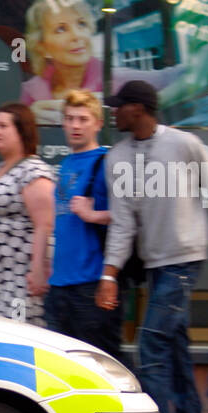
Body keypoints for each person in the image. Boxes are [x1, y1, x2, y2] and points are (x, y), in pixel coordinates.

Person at [95, 80, 208, 413]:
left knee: (152, 349)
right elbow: (123, 224)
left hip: (184, 260)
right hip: (155, 265)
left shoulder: (184, 145)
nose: (113, 113)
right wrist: (109, 274)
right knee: (174, 356)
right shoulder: (118, 158)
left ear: (138, 109)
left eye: (118, 107)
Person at [18, 0, 190, 126]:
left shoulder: (116, 80)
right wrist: (29, 119)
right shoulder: (28, 92)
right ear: (42, 47)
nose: (77, 36)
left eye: (82, 24)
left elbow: (184, 76)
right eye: (61, 29)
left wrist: (133, 108)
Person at [44, 89, 123, 360]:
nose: (75, 125)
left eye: (83, 119)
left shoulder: (107, 161)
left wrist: (93, 215)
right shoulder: (66, 163)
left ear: (98, 123)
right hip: (60, 284)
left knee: (103, 364)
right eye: (69, 119)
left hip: (91, 284)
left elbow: (132, 215)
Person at [0, 102, 55, 325]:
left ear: (21, 131)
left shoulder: (34, 171)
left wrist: (38, 270)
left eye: (3, 126)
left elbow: (45, 224)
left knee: (16, 337)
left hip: (17, 278)